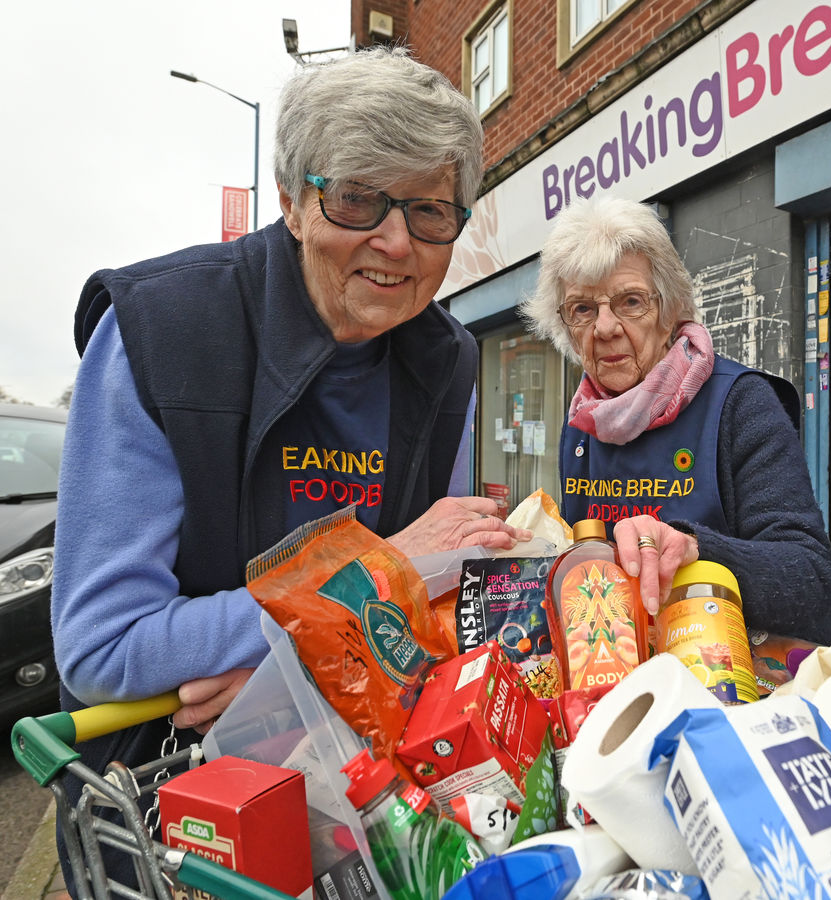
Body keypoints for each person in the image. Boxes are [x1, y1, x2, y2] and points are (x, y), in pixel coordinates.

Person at [52, 47, 529, 890]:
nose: (395, 242)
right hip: (171, 814)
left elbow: (443, 600)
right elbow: (104, 647)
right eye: (357, 198)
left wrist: (284, 673)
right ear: (292, 200)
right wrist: (375, 576)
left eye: (429, 211)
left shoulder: (448, 358)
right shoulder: (157, 333)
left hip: (359, 806)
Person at [519, 196, 831, 644]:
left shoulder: (741, 402)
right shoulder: (581, 427)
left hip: (748, 681)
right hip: (635, 673)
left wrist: (695, 548)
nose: (605, 327)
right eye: (583, 309)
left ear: (670, 311)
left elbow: (810, 574)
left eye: (631, 301)